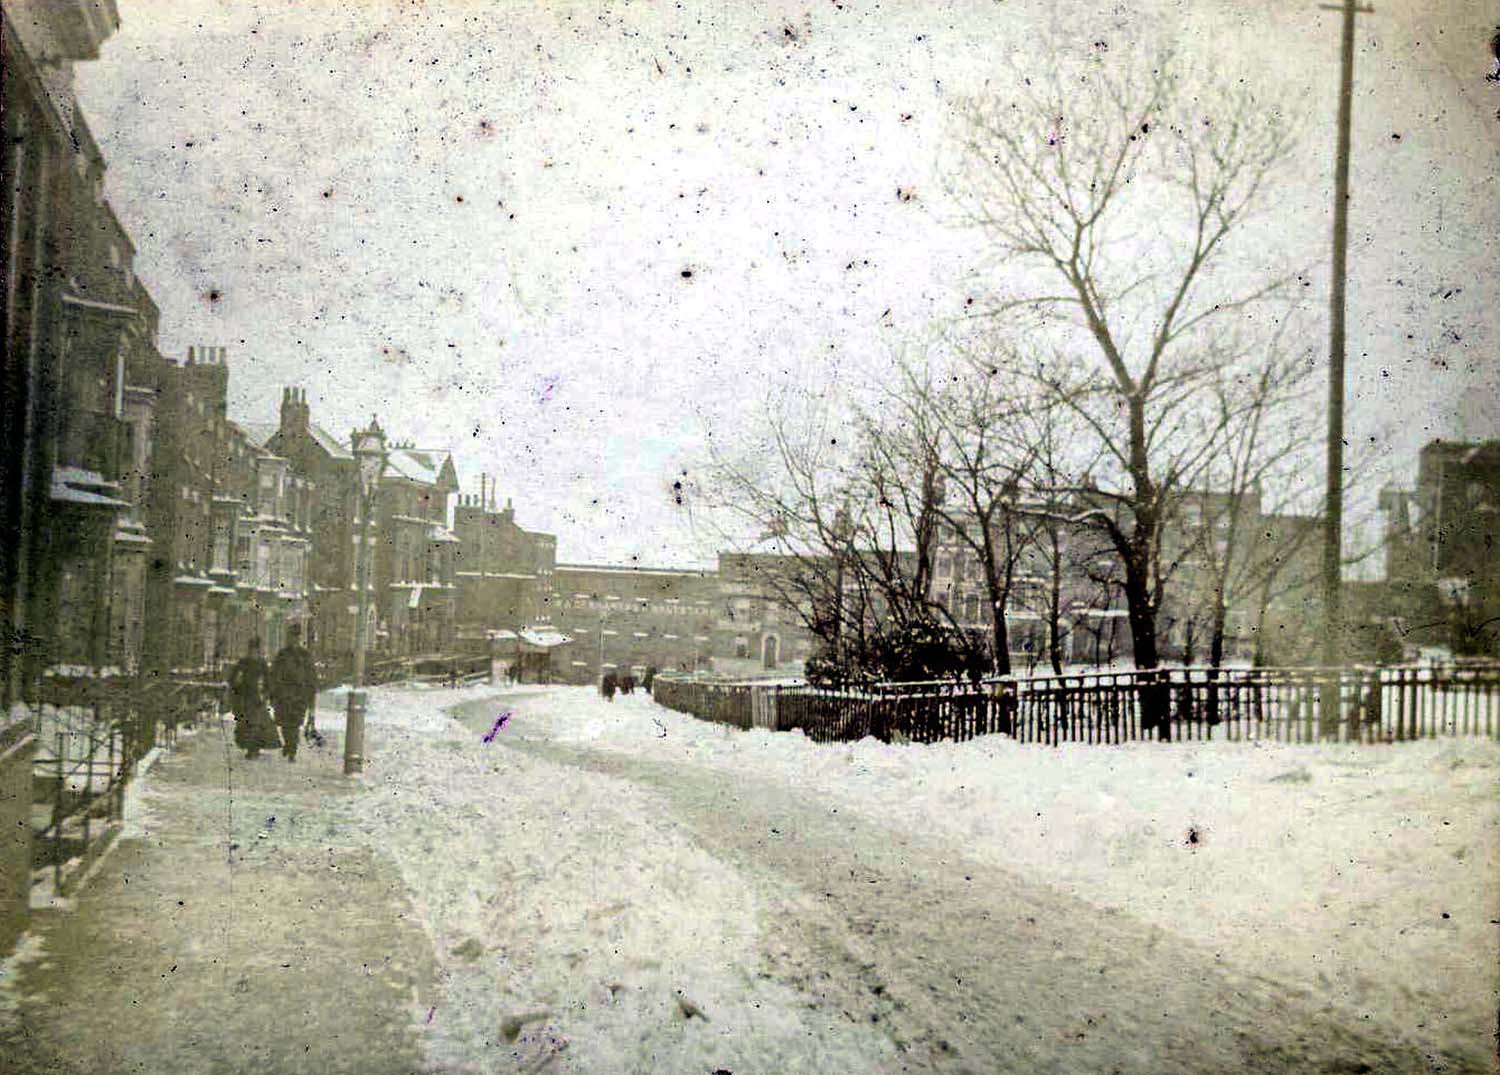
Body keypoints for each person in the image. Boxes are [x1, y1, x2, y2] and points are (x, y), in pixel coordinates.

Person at [270, 625, 318, 761]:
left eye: (296, 637)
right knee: (285, 724)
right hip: (283, 695)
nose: (293, 639)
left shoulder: (305, 655)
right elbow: (273, 674)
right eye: (291, 636)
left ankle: (292, 750)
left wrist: (310, 695)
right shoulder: (282, 654)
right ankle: (289, 745)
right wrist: (273, 693)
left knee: (295, 724)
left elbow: (311, 676)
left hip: (299, 695)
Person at [228, 638, 277, 760]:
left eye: (256, 650)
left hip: (257, 698)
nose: (253, 652)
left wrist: (266, 694)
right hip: (244, 698)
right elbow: (233, 679)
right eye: (252, 650)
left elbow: (268, 681)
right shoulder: (243, 663)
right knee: (246, 724)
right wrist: (236, 684)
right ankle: (250, 748)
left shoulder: (262, 664)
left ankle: (254, 749)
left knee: (257, 725)